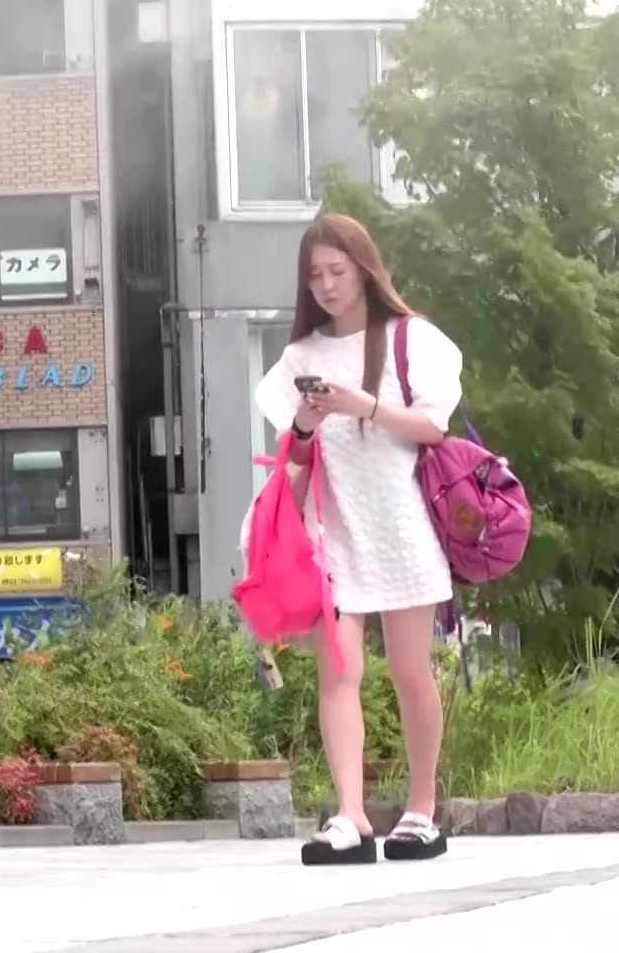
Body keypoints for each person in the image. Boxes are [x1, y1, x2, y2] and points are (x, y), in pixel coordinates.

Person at [254, 213, 464, 866]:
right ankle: (349, 815)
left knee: (410, 671)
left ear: (364, 270)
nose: (325, 285)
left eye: (336, 272)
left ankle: (421, 810)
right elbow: (291, 460)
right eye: (314, 275)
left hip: (403, 527)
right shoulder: (300, 357)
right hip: (334, 530)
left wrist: (362, 404)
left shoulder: (411, 339)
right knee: (338, 672)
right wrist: (312, 421)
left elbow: (431, 426)